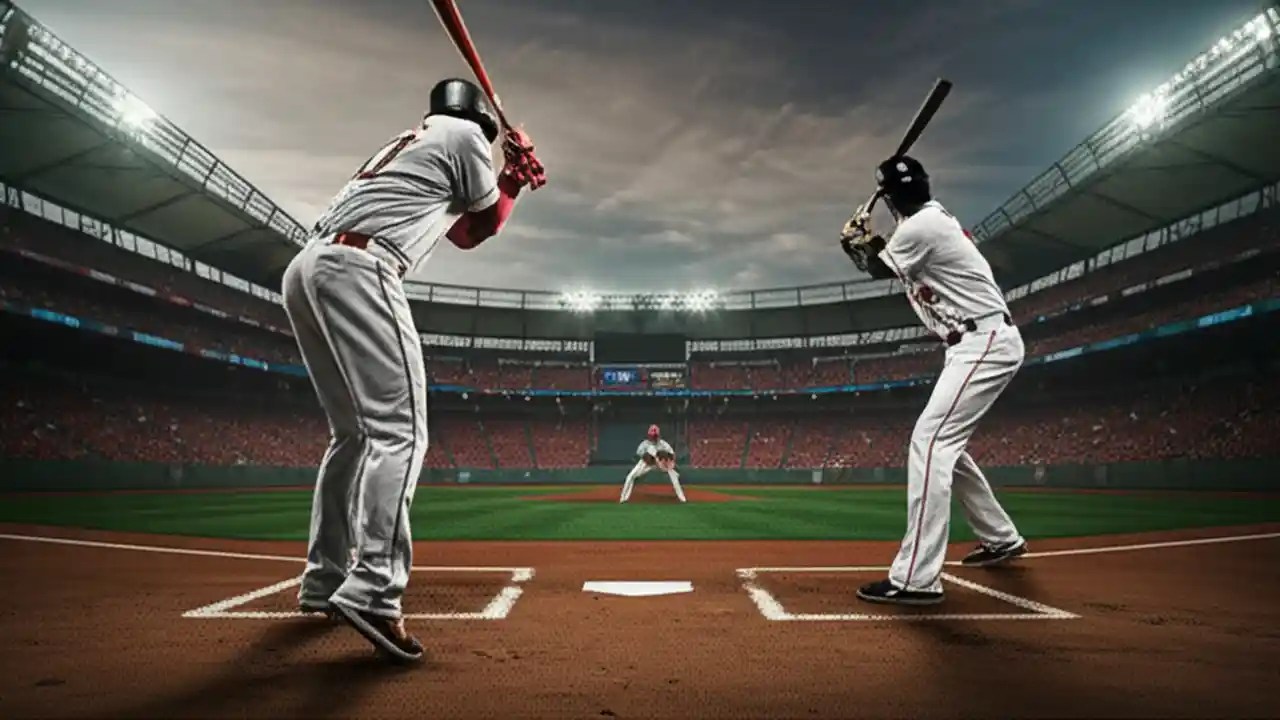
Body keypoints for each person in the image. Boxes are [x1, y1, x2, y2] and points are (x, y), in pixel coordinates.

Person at [281, 78, 545, 661]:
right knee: (400, 433)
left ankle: (324, 579)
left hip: (308, 268)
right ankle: (375, 590)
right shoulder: (464, 136)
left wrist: (510, 178)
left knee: (352, 436)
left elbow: (463, 231)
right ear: (480, 121)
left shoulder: (418, 140)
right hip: (364, 266)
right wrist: (513, 171)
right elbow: (486, 225)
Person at [839, 155, 1025, 606]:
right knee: (944, 444)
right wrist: (865, 241)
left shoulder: (921, 226)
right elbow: (886, 257)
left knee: (929, 442)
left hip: (981, 342)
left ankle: (916, 578)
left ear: (890, 200)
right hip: (975, 342)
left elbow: (879, 268)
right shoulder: (927, 221)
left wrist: (854, 242)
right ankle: (1001, 536)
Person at [619, 424, 687, 503]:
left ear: (658, 435)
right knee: (630, 476)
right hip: (647, 463)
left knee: (674, 477)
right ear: (649, 435)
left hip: (661, 463)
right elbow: (639, 455)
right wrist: (648, 457)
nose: (653, 437)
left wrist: (666, 459)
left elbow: (672, 455)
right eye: (652, 435)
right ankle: (623, 498)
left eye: (655, 436)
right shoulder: (644, 444)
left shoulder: (663, 444)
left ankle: (682, 499)